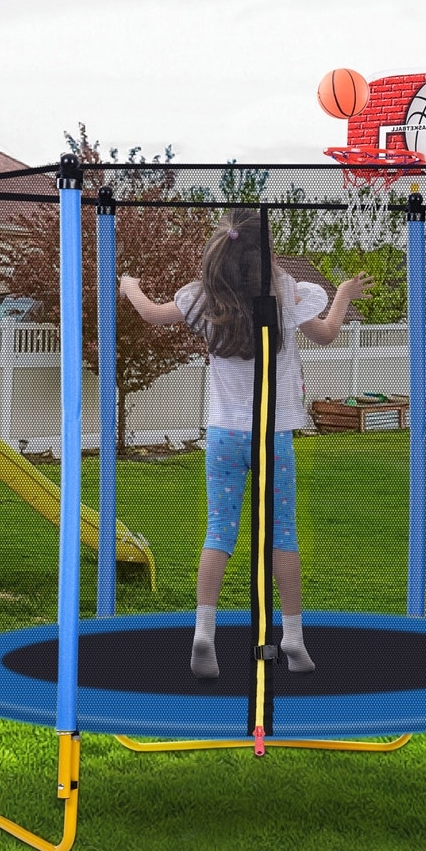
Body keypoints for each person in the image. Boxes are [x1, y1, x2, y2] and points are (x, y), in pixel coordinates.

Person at [120, 208, 372, 678]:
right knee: (282, 534)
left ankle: (204, 632)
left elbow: (153, 314)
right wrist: (341, 294)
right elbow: (329, 333)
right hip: (272, 436)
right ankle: (293, 638)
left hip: (224, 436)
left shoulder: (204, 299)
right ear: (266, 252)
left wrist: (129, 285)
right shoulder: (285, 294)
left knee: (220, 532)